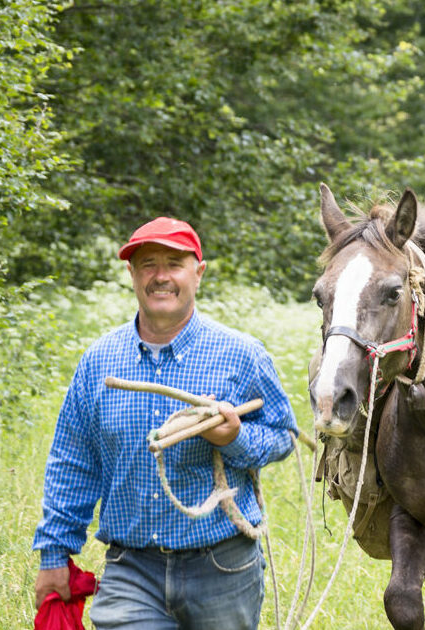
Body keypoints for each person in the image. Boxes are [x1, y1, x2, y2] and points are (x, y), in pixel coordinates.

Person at [32, 217, 298, 628]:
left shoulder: (241, 354)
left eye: (174, 263)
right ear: (132, 274)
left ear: (198, 272)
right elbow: (73, 461)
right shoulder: (99, 361)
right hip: (131, 570)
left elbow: (283, 435)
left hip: (222, 567)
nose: (161, 276)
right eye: (148, 264)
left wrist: (235, 437)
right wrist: (54, 556)